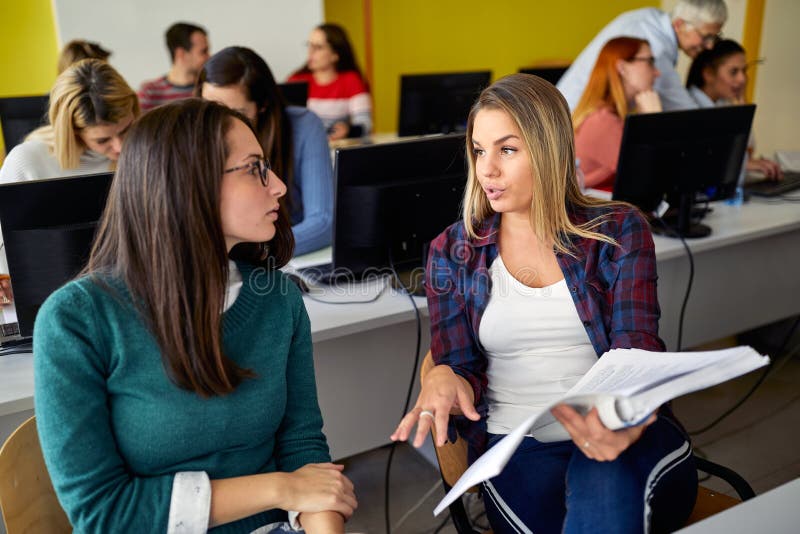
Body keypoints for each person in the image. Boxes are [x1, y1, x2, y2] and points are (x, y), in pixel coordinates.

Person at [391, 74, 697, 534]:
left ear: (550, 150)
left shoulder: (617, 230)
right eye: (479, 150)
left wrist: (623, 420)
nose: (486, 169)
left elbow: (638, 348)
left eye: (507, 150)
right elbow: (460, 364)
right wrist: (444, 377)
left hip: (623, 425)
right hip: (517, 444)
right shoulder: (452, 251)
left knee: (603, 476)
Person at [33, 99, 357, 533]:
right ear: (189, 184)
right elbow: (103, 514)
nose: (278, 185)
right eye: (255, 168)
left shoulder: (278, 299)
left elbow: (303, 451)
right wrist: (280, 489)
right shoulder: (76, 320)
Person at [0, 58, 139, 304]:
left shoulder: (145, 151)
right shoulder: (29, 162)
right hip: (54, 302)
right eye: (102, 140)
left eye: (125, 129)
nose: (119, 146)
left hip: (133, 294)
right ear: (72, 131)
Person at [198, 46, 333, 255]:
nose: (220, 127)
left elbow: (323, 221)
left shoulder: (303, 126)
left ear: (262, 105)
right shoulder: (191, 140)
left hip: (279, 259)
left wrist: (256, 254)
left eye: (236, 114)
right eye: (209, 111)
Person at [557, 0, 728, 111]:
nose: (710, 45)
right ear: (679, 24)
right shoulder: (655, 44)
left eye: (715, 37)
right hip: (573, 120)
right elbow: (685, 113)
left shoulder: (651, 17)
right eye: (706, 36)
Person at [572, 37, 662, 191]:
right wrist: (653, 122)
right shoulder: (602, 121)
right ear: (622, 68)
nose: (657, 72)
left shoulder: (607, 116)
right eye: (650, 61)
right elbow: (654, 178)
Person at [686, 39, 782, 179]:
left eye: (744, 71)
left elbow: (748, 150)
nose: (742, 79)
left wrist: (742, 103)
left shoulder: (723, 104)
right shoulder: (688, 106)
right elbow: (699, 160)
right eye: (734, 72)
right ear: (708, 74)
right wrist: (743, 164)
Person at [288, 23, 371, 140]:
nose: (310, 52)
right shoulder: (295, 81)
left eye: (318, 47)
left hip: (336, 149)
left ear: (335, 55)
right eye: (309, 45)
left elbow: (365, 124)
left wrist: (348, 130)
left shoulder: (351, 80)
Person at [138, 22, 210, 111]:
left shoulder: (210, 89)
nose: (209, 57)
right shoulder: (150, 93)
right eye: (203, 51)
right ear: (181, 54)